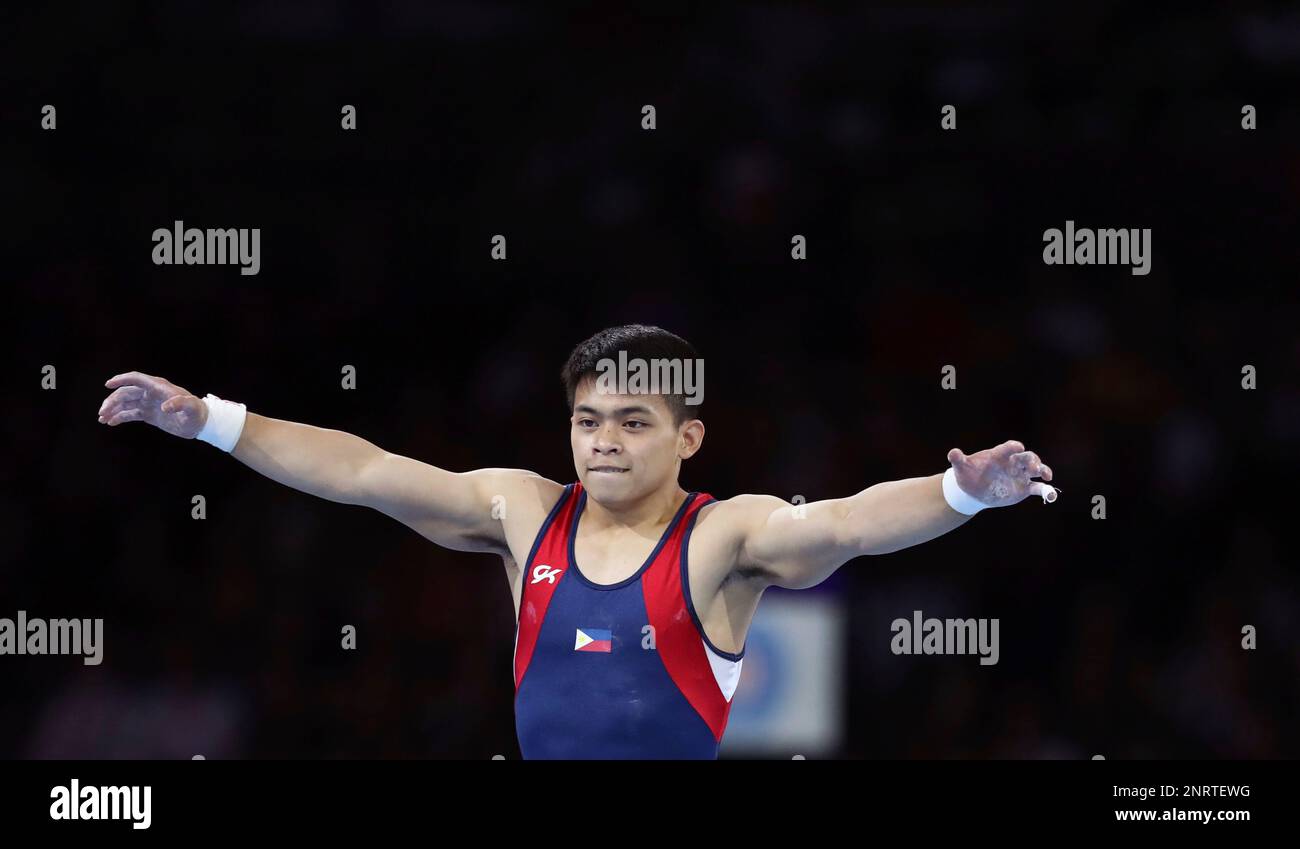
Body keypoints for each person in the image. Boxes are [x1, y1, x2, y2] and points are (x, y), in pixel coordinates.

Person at [97, 324, 1057, 759]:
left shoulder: (720, 534)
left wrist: (958, 492)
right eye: (588, 418)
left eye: (633, 421)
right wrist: (210, 421)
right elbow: (360, 470)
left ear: (687, 439)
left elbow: (846, 522)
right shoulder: (524, 511)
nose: (603, 439)